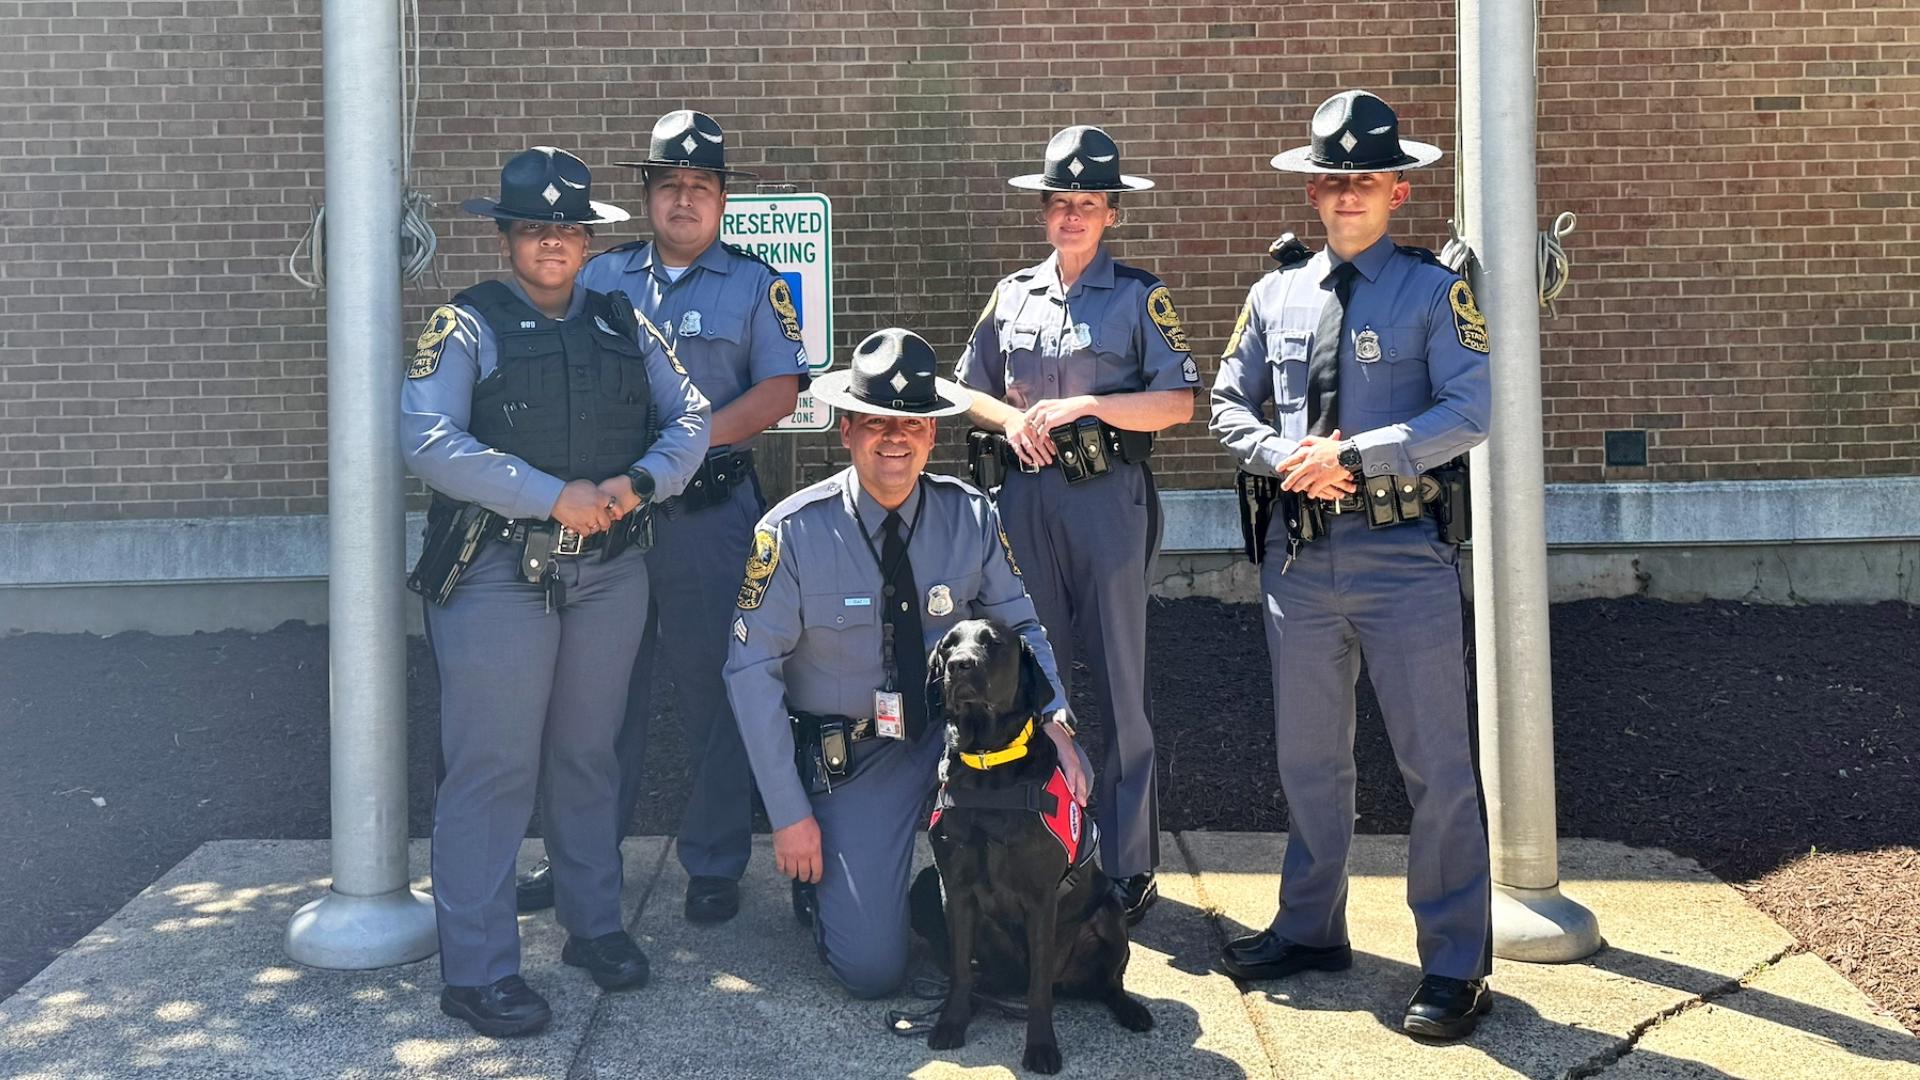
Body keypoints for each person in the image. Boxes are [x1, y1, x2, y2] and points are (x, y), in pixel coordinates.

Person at [401, 146, 711, 1038]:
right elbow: (426, 439)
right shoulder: (466, 326)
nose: (552, 243)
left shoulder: (624, 320)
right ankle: (480, 969)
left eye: (567, 228)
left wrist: (644, 482)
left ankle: (594, 924)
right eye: (534, 228)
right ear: (507, 236)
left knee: (588, 755)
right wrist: (553, 495)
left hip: (610, 570)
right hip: (498, 572)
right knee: (492, 768)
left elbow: (689, 416)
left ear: (587, 238)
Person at [1207, 90, 1495, 1039]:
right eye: (1331, 182)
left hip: (1401, 555)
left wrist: (1356, 454)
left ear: (1398, 192)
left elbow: (1467, 412)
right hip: (1300, 558)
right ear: (1315, 193)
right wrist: (1279, 455)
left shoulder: (1432, 290)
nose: (1345, 198)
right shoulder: (1275, 290)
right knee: (1309, 760)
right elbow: (1226, 404)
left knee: (1435, 769)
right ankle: (1310, 925)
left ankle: (1455, 964)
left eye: (1363, 181)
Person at [724, 328, 1087, 998]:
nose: (895, 440)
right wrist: (788, 813)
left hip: (961, 739)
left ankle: (961, 893)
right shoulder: (792, 532)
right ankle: (837, 887)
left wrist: (1057, 719)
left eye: (912, 425)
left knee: (1070, 803)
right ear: (846, 433)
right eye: (875, 424)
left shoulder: (969, 515)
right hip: (862, 758)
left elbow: (1022, 623)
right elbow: (750, 675)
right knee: (873, 972)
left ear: (931, 434)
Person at [515, 110, 807, 927]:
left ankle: (713, 861)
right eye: (670, 184)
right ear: (647, 194)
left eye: (701, 186)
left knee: (718, 691)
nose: (685, 199)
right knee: (594, 701)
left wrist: (674, 449)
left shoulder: (756, 285)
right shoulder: (602, 280)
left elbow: (778, 393)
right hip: (608, 521)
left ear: (722, 200)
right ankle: (581, 860)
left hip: (708, 520)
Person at [954, 125, 1199, 925]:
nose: (1071, 218)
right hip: (1024, 500)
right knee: (1034, 674)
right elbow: (966, 389)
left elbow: (1177, 401)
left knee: (1120, 682)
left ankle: (1129, 862)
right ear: (1045, 213)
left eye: (1086, 205)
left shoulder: (1138, 297)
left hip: (1104, 502)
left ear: (1111, 213)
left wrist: (1091, 404)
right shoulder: (1012, 294)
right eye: (1059, 205)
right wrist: (1008, 420)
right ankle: (1047, 838)